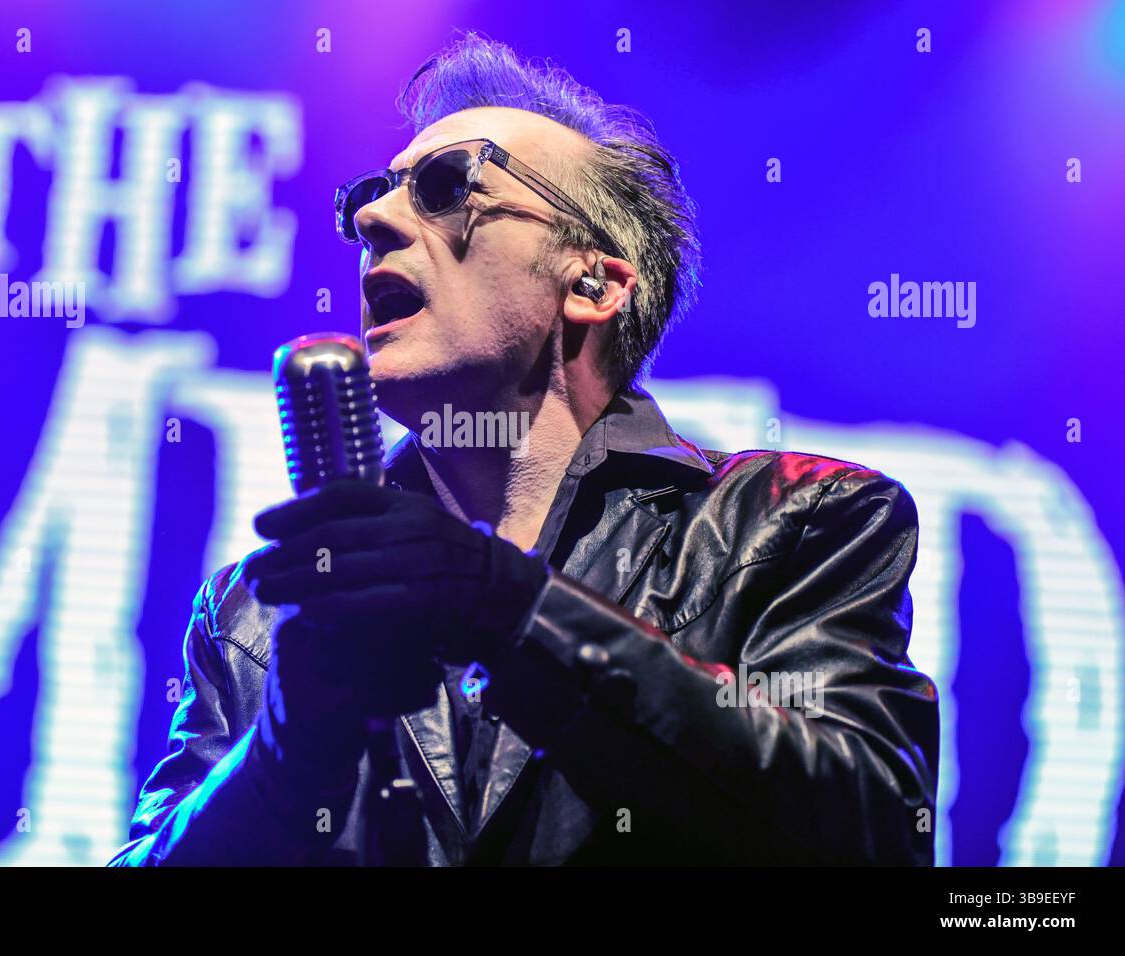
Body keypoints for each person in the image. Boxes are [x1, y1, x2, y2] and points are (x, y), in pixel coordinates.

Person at [110, 33, 938, 866]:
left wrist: (509, 608)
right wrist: (283, 759)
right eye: (372, 193)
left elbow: (873, 828)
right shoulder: (254, 615)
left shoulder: (791, 524)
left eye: (446, 186)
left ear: (593, 285)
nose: (370, 219)